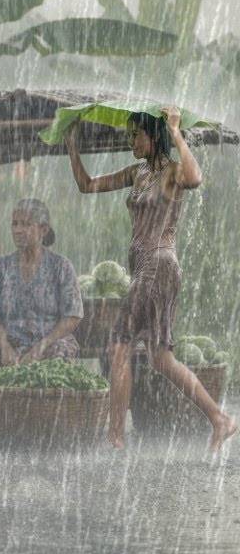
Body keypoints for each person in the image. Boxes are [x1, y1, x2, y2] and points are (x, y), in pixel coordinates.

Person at [66, 106, 236, 452]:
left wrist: (174, 129)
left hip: (158, 265)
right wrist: (72, 146)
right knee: (160, 358)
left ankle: (115, 438)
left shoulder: (171, 172)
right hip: (149, 269)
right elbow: (87, 185)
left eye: (136, 135)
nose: (130, 141)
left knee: (119, 346)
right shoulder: (137, 173)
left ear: (154, 136)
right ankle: (220, 419)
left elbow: (195, 178)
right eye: (128, 135)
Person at [0, 198, 83, 438]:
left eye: (26, 224)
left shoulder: (60, 266)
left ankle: (50, 429)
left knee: (59, 358)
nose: (18, 230)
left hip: (50, 340)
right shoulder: (2, 266)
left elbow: (72, 316)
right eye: (15, 223)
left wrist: (41, 346)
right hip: (11, 342)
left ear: (43, 230)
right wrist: (4, 346)